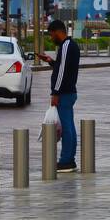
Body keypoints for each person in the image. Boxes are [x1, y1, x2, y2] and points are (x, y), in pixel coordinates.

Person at [38, 18, 80, 173]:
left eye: (51, 35)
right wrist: (50, 61)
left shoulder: (67, 46)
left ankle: (66, 161)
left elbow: (62, 73)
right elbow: (62, 68)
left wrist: (55, 93)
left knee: (67, 128)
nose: (51, 38)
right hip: (68, 92)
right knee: (69, 127)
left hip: (64, 93)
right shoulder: (69, 46)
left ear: (57, 32)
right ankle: (69, 159)